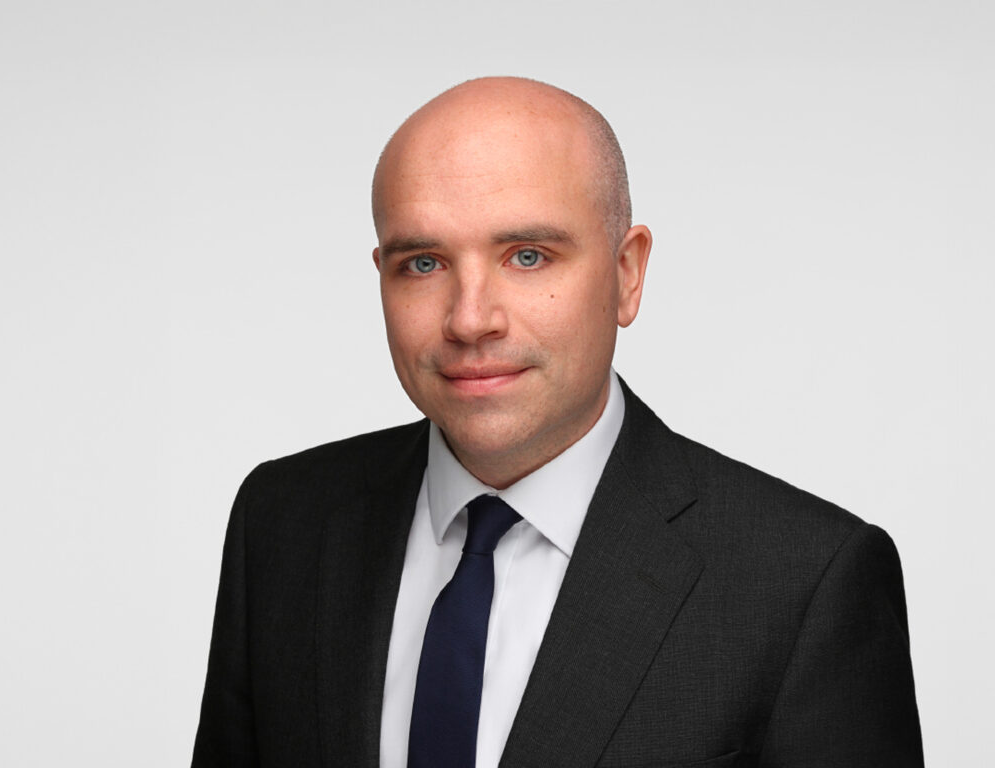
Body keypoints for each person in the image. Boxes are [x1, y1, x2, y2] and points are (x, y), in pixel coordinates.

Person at [192, 77, 924, 767]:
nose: (470, 319)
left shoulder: (806, 582)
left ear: (627, 274)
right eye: (423, 264)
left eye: (527, 256)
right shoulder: (282, 522)